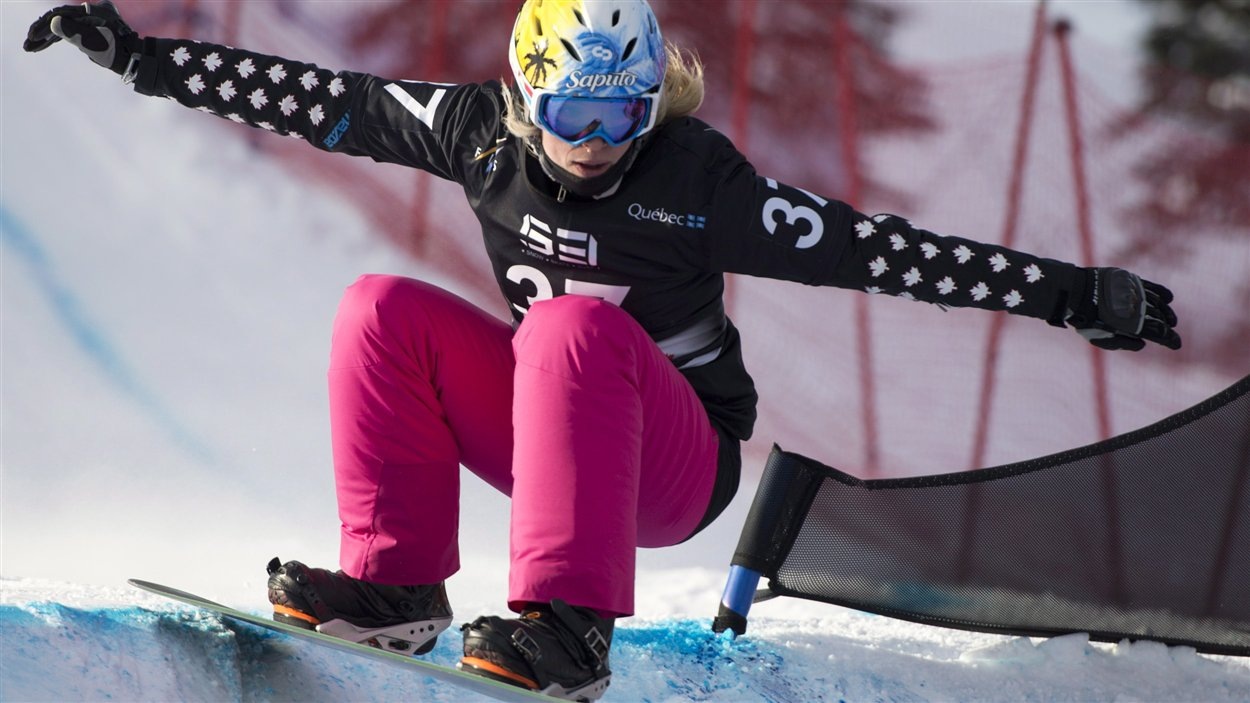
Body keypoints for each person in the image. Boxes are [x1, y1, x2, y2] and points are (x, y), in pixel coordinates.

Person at [25, 0, 1182, 700]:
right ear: (527, 95)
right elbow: (313, 96)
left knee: (572, 325)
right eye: (573, 116)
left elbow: (879, 251)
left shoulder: (697, 180)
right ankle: (394, 585)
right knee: (380, 307)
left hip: (673, 464)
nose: (594, 142)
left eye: (621, 115)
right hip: (553, 433)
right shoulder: (474, 132)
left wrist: (1070, 292)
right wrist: (143, 59)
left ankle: (568, 630)